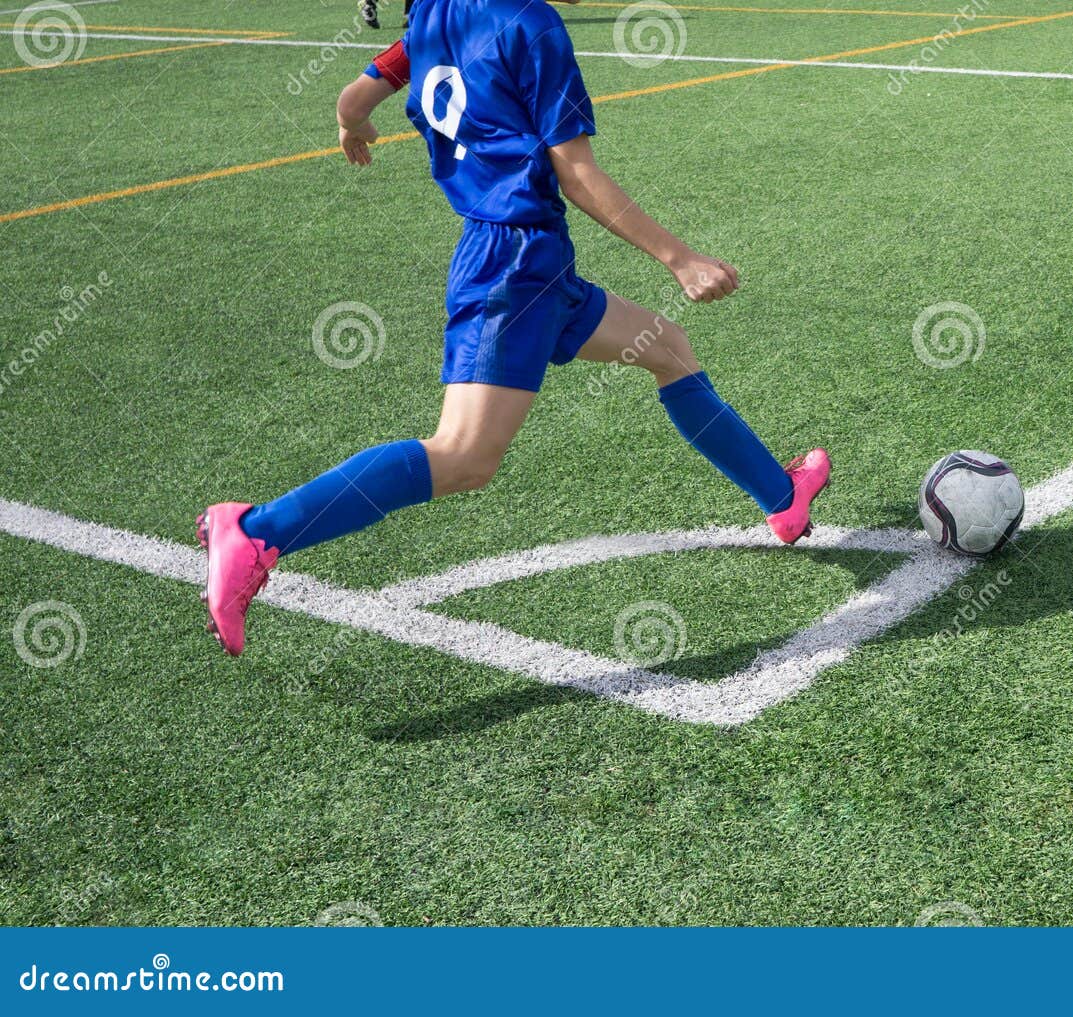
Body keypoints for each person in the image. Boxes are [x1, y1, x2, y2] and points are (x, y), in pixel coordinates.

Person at [198, 0, 829, 656]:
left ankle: (783, 500)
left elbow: (356, 96)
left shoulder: (431, 16)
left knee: (669, 348)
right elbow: (576, 172)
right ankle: (258, 531)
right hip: (514, 265)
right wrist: (681, 258)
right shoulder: (529, 23)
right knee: (464, 455)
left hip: (531, 264)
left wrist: (349, 126)